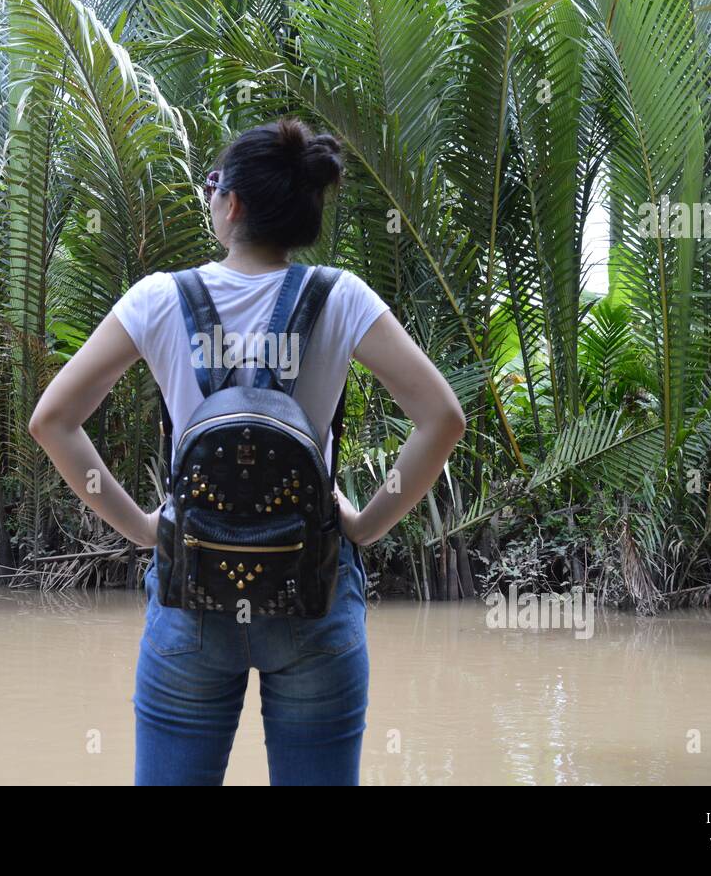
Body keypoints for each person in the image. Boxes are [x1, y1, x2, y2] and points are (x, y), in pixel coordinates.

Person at [30, 118, 466, 785]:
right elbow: (441, 419)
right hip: (313, 587)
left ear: (230, 203)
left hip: (191, 590)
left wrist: (145, 527)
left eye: (213, 186)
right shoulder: (340, 298)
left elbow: (53, 422)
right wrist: (365, 523)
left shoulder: (158, 299)